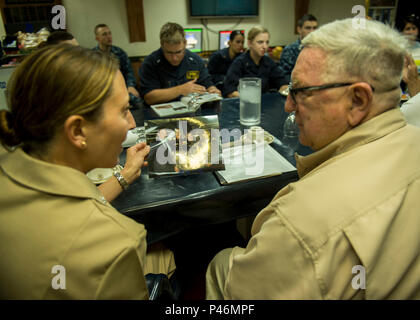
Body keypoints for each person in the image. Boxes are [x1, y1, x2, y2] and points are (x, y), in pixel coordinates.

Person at [206, 18, 420, 299]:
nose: (288, 105)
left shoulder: (299, 223)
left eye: (301, 92)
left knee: (219, 262)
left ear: (357, 100)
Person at [0, 44, 175, 299]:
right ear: (78, 131)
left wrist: (124, 176)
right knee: (165, 254)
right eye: (124, 110)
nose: (132, 123)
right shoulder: (116, 243)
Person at [139, 22, 220, 106]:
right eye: (169, 53)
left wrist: (213, 90)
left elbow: (207, 83)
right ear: (162, 45)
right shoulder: (150, 63)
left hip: (192, 112)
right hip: (161, 114)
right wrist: (180, 90)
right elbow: (149, 98)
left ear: (185, 43)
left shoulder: (195, 60)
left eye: (178, 52)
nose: (174, 58)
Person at [223, 26, 288, 98]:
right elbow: (230, 91)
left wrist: (284, 89)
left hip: (266, 104)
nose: (265, 46)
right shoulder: (239, 63)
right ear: (250, 43)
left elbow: (282, 82)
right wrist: (249, 98)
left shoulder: (269, 62)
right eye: (260, 42)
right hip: (244, 104)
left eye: (267, 42)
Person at [93, 24, 141, 107]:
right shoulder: (92, 55)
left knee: (138, 102)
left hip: (121, 88)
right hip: (102, 92)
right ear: (97, 38)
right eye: (104, 34)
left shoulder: (119, 52)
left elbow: (129, 72)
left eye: (109, 33)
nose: (109, 36)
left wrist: (130, 86)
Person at [277, 14, 318, 91]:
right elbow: (285, 76)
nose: (312, 31)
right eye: (308, 28)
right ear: (299, 29)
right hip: (297, 91)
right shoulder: (290, 50)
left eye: (315, 28)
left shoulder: (321, 49)